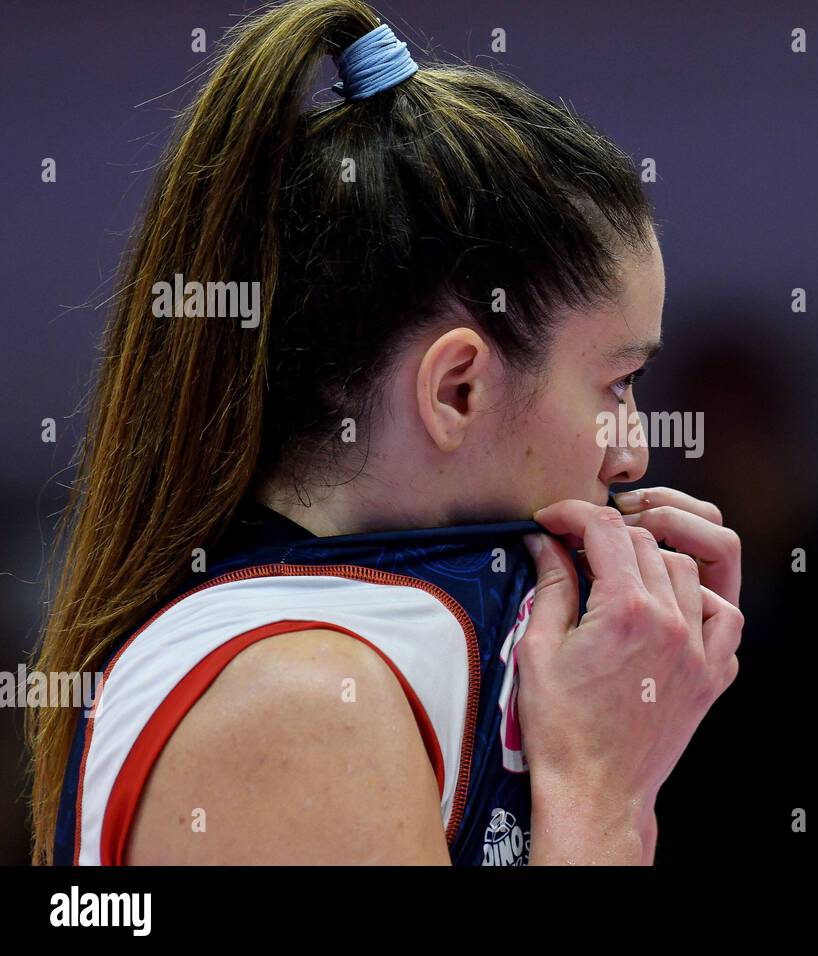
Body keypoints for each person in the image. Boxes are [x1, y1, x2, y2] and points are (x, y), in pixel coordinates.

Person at [27, 0, 742, 865]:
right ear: (458, 389)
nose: (634, 450)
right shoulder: (294, 703)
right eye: (618, 383)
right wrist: (603, 794)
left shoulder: (418, 641)